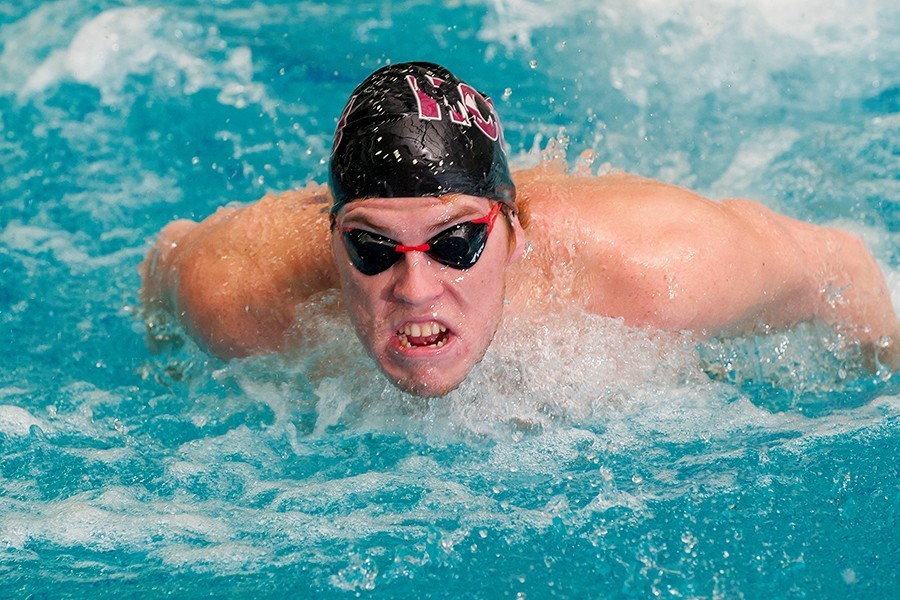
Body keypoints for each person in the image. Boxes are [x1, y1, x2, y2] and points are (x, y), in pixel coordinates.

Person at [140, 62, 899, 397]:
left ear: (514, 232)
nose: (415, 287)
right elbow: (165, 257)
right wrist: (174, 374)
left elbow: (844, 269)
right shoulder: (238, 293)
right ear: (331, 240)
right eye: (372, 249)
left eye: (456, 244)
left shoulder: (665, 266)